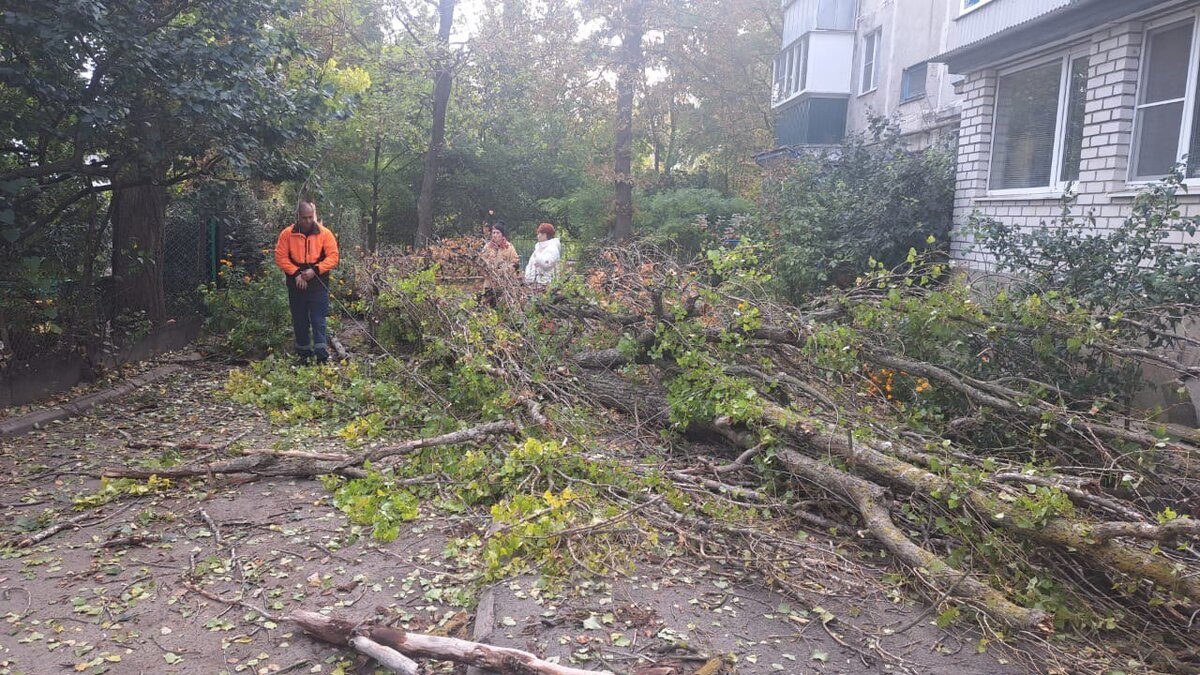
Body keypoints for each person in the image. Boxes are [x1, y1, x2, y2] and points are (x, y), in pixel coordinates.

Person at [274, 200, 340, 363]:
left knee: (318, 320)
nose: (308, 221)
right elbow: (280, 257)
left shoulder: (325, 234)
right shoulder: (287, 234)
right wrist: (296, 274)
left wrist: (315, 270)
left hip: (318, 282)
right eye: (304, 218)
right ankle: (303, 355)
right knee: (300, 320)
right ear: (298, 217)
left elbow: (333, 257)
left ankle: (321, 356)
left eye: (311, 217)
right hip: (296, 283)